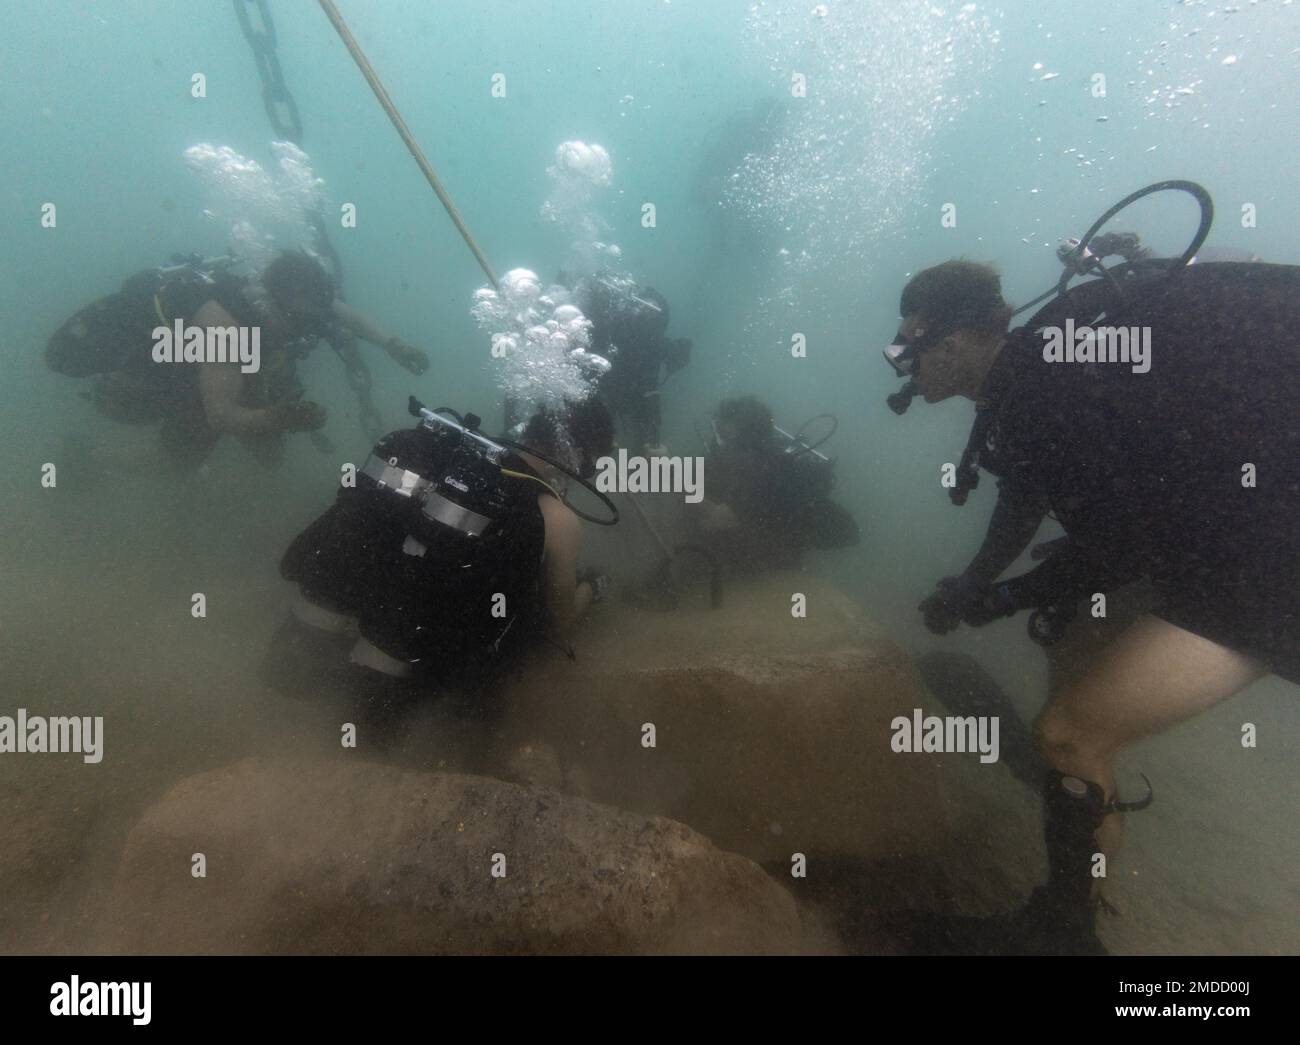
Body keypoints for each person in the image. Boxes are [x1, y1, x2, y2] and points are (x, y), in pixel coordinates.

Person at [880, 255, 1300, 954]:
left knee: (1070, 731)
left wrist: (1010, 594)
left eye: (902, 349)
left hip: (1268, 560)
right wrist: (974, 582)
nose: (900, 367)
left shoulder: (1047, 389)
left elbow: (1120, 549)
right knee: (1075, 655)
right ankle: (1076, 850)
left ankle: (1064, 932)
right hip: (1247, 539)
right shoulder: (1037, 375)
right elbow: (1028, 493)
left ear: (948, 345)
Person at [262, 394, 615, 719]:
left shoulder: (442, 458)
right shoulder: (557, 518)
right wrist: (590, 590)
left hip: (330, 610)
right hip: (407, 664)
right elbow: (559, 623)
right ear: (579, 455)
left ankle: (321, 645)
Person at [45, 250, 430, 469]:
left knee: (270, 453)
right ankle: (90, 458)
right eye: (303, 322)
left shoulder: (296, 301)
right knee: (176, 462)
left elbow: (345, 314)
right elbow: (222, 415)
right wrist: (281, 418)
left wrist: (395, 345)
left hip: (210, 365)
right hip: (150, 378)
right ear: (277, 304)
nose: (307, 332)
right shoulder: (224, 331)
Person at [688, 395, 859, 575]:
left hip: (779, 552)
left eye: (720, 431)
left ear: (738, 433)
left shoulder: (762, 468)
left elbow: (717, 521)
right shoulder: (765, 450)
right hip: (780, 532)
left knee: (708, 533)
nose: (716, 439)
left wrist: (676, 483)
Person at [577, 275, 692, 454]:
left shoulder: (654, 340)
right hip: (613, 391)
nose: (645, 313)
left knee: (644, 444)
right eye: (644, 308)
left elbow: (671, 356)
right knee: (598, 438)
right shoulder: (616, 327)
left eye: (652, 311)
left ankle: (636, 467)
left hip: (638, 393)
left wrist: (679, 353)